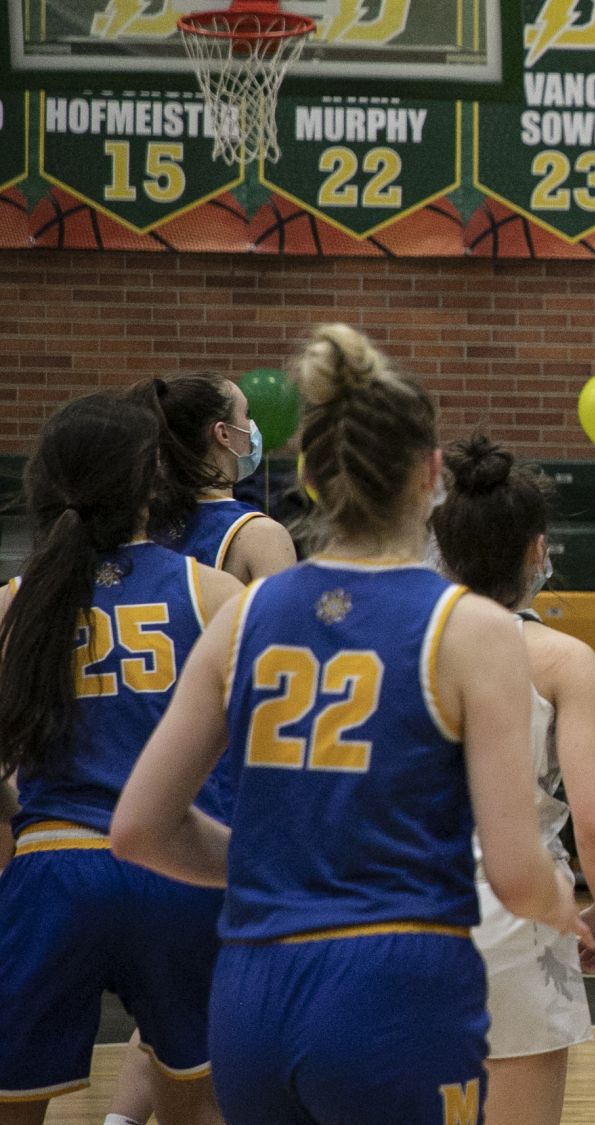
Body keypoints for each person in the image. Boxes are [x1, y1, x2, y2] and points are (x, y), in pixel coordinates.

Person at [111, 324, 581, 1125]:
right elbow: (511, 867)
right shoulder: (472, 629)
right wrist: (567, 908)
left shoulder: (243, 614)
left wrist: (271, 861)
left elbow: (138, 828)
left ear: (313, 475)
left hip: (254, 983)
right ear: (431, 476)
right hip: (397, 979)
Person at [0, 394, 243, 1124]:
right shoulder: (217, 594)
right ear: (153, 479)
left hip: (51, 871)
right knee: (192, 1104)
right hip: (176, 873)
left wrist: (22, 833)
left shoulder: (15, 602)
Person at [105, 374, 301, 1125]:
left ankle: (121, 1120)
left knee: (173, 1001)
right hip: (213, 796)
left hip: (115, 780)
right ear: (223, 435)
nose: (254, 433)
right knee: (224, 1008)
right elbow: (292, 676)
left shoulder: (132, 530)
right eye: (246, 419)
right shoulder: (255, 535)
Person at [433, 435, 595, 1125]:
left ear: (443, 549)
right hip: (519, 912)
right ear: (537, 551)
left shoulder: (400, 640)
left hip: (401, 899)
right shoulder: (562, 659)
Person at [134, 374, 297, 583]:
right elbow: (281, 616)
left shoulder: (138, 522)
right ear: (223, 434)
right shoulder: (260, 535)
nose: (252, 425)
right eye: (247, 414)